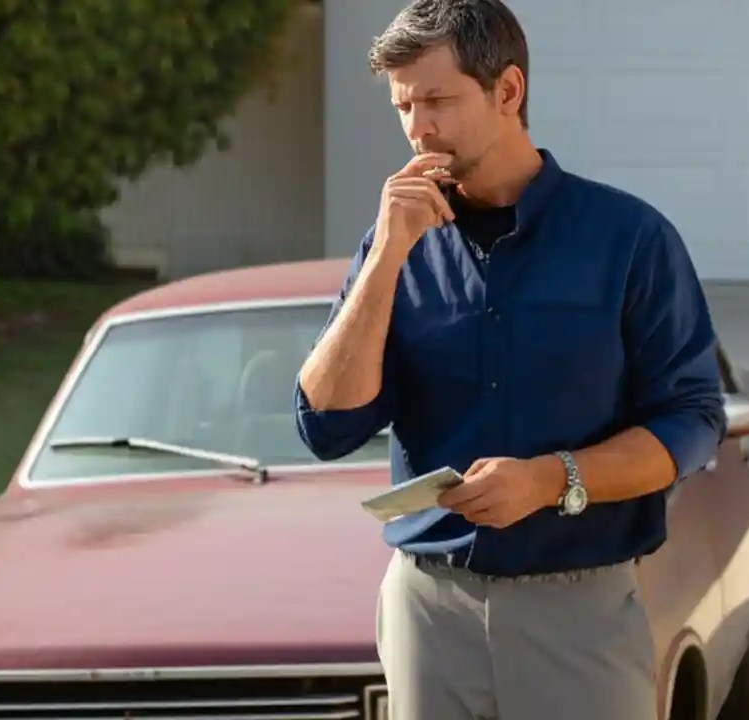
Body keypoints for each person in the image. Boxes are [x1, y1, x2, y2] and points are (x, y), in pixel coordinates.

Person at [293, 1, 727, 718]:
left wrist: (553, 479)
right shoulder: (394, 242)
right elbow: (326, 425)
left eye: (437, 99)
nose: (417, 127)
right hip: (428, 609)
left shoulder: (629, 238)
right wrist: (386, 260)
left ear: (508, 92)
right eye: (403, 105)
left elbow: (692, 420)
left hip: (580, 609)